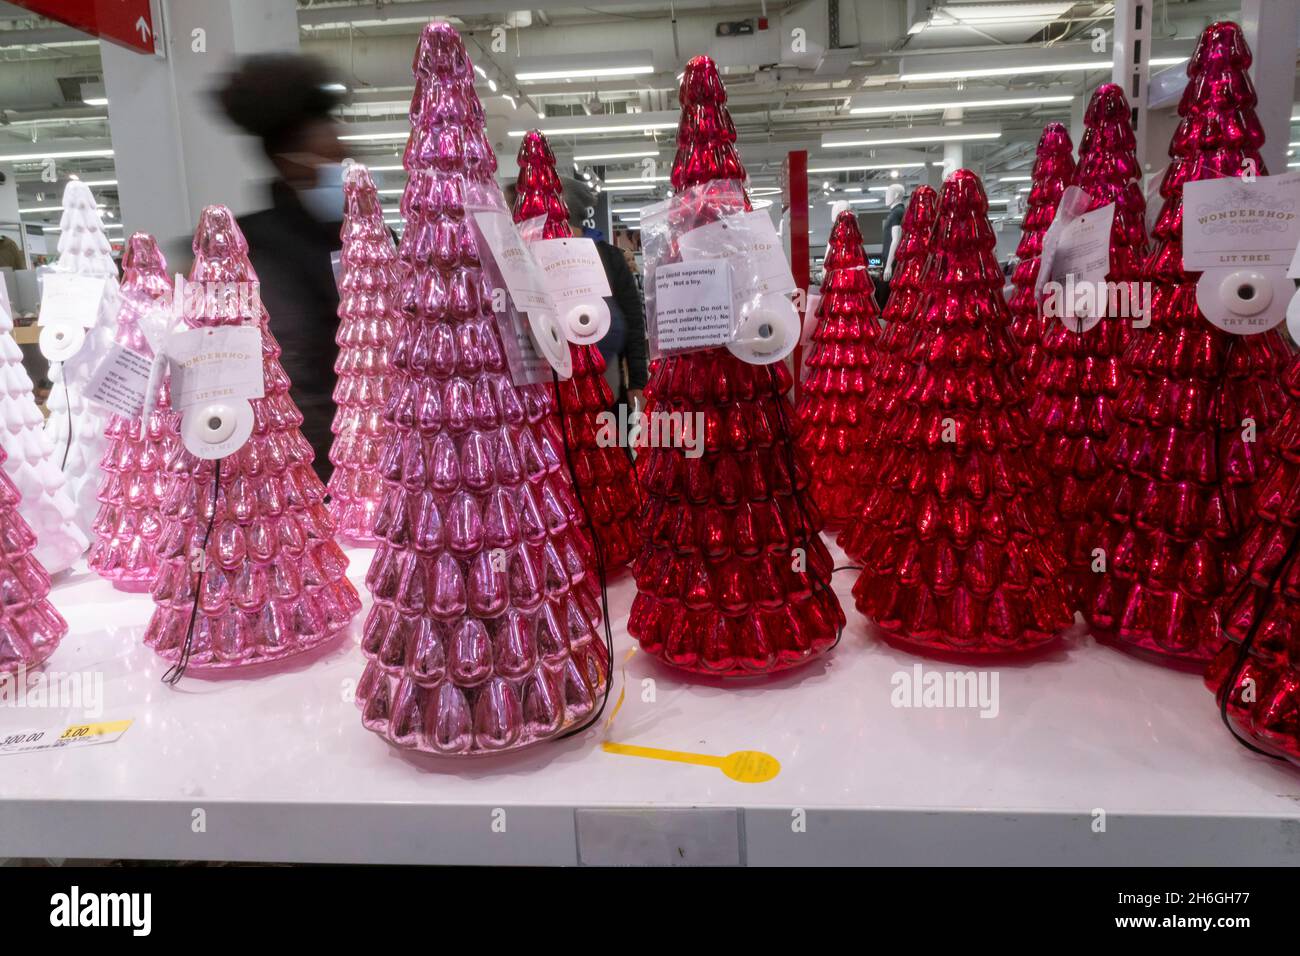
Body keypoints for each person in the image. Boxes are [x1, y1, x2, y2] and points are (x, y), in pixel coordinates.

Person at [216, 54, 348, 482]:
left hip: (359, 460)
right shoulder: (255, 252)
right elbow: (292, 373)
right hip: (314, 471)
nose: (342, 167)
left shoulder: (352, 234)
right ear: (291, 159)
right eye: (331, 159)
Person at [559, 178, 648, 410]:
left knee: (611, 441)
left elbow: (632, 320)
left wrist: (637, 381)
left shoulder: (608, 258)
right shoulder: (541, 258)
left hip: (606, 379)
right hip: (558, 388)